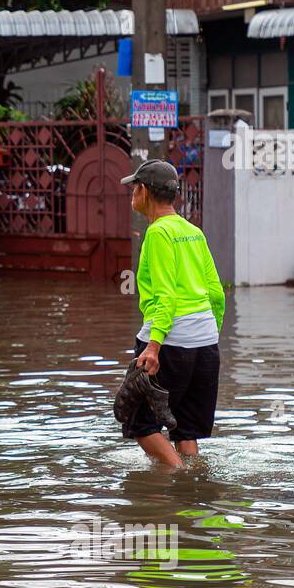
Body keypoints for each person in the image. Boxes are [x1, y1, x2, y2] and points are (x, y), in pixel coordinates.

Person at [120, 159, 225, 468]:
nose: (132, 193)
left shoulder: (157, 233)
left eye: (134, 187)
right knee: (185, 427)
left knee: (140, 425)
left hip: (169, 342)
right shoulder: (193, 232)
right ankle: (195, 487)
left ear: (144, 192)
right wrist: (208, 336)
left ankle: (179, 477)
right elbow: (216, 292)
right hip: (204, 342)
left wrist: (153, 346)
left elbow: (166, 295)